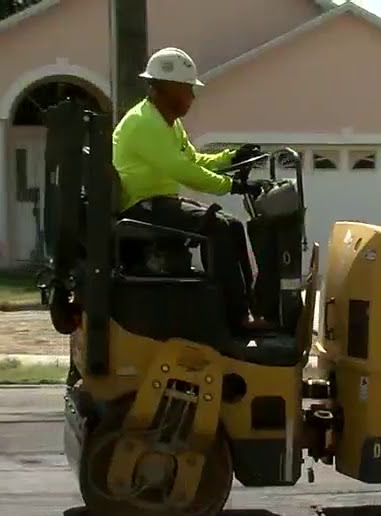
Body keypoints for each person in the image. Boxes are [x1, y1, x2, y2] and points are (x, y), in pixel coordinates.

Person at [112, 46, 271, 330]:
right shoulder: (144, 123)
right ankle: (235, 317)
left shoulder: (167, 122)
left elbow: (193, 160)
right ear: (166, 88)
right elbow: (182, 170)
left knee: (234, 225)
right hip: (141, 206)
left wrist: (232, 157)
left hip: (158, 202)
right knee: (217, 227)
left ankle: (247, 307)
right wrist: (231, 185)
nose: (192, 97)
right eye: (187, 89)